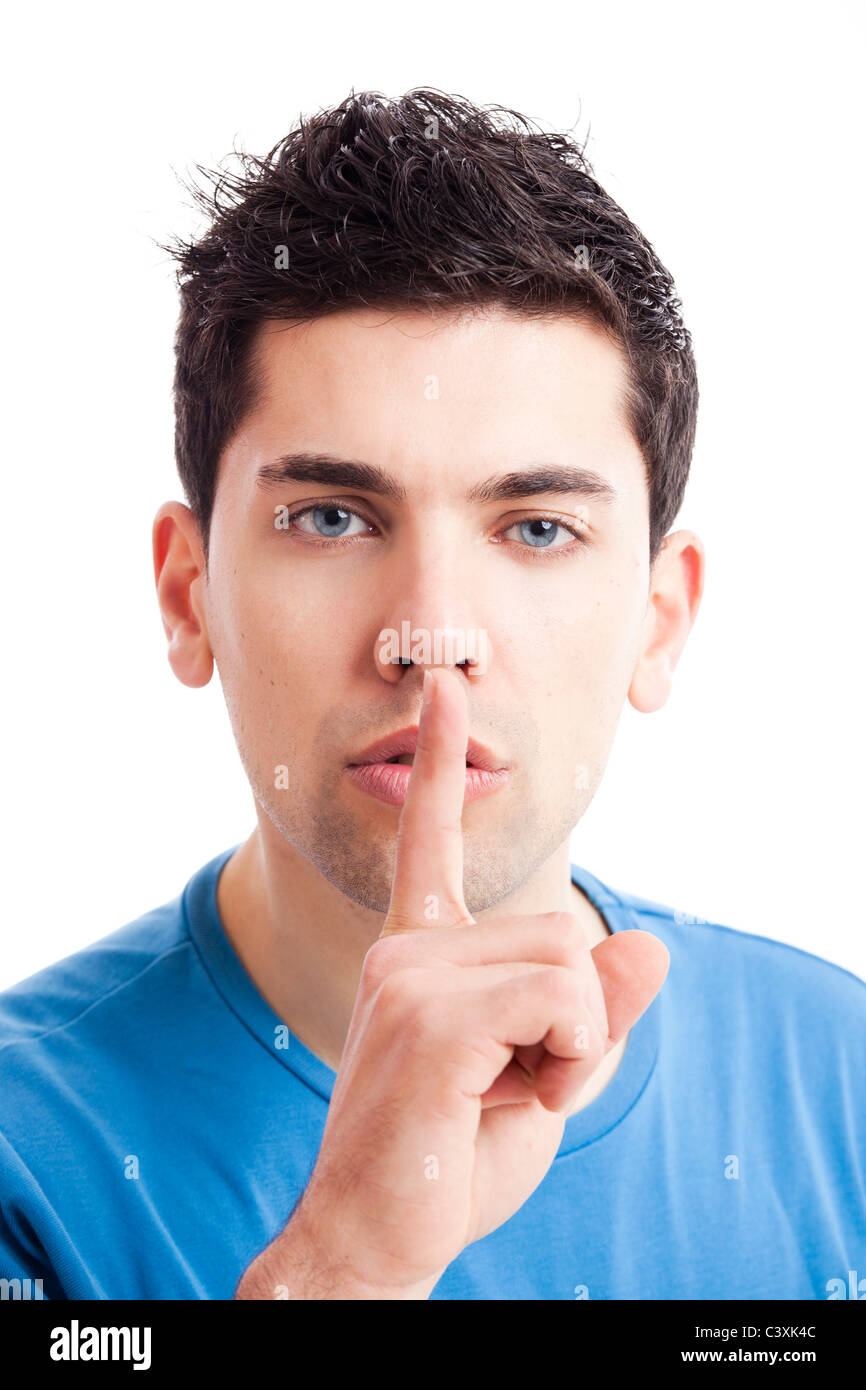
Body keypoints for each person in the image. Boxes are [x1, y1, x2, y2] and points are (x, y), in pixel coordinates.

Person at [1, 89, 863, 1303]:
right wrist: (341, 1267)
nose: (430, 633)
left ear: (659, 618)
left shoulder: (844, 1082)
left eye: (537, 527)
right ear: (188, 595)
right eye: (332, 517)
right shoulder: (23, 1158)